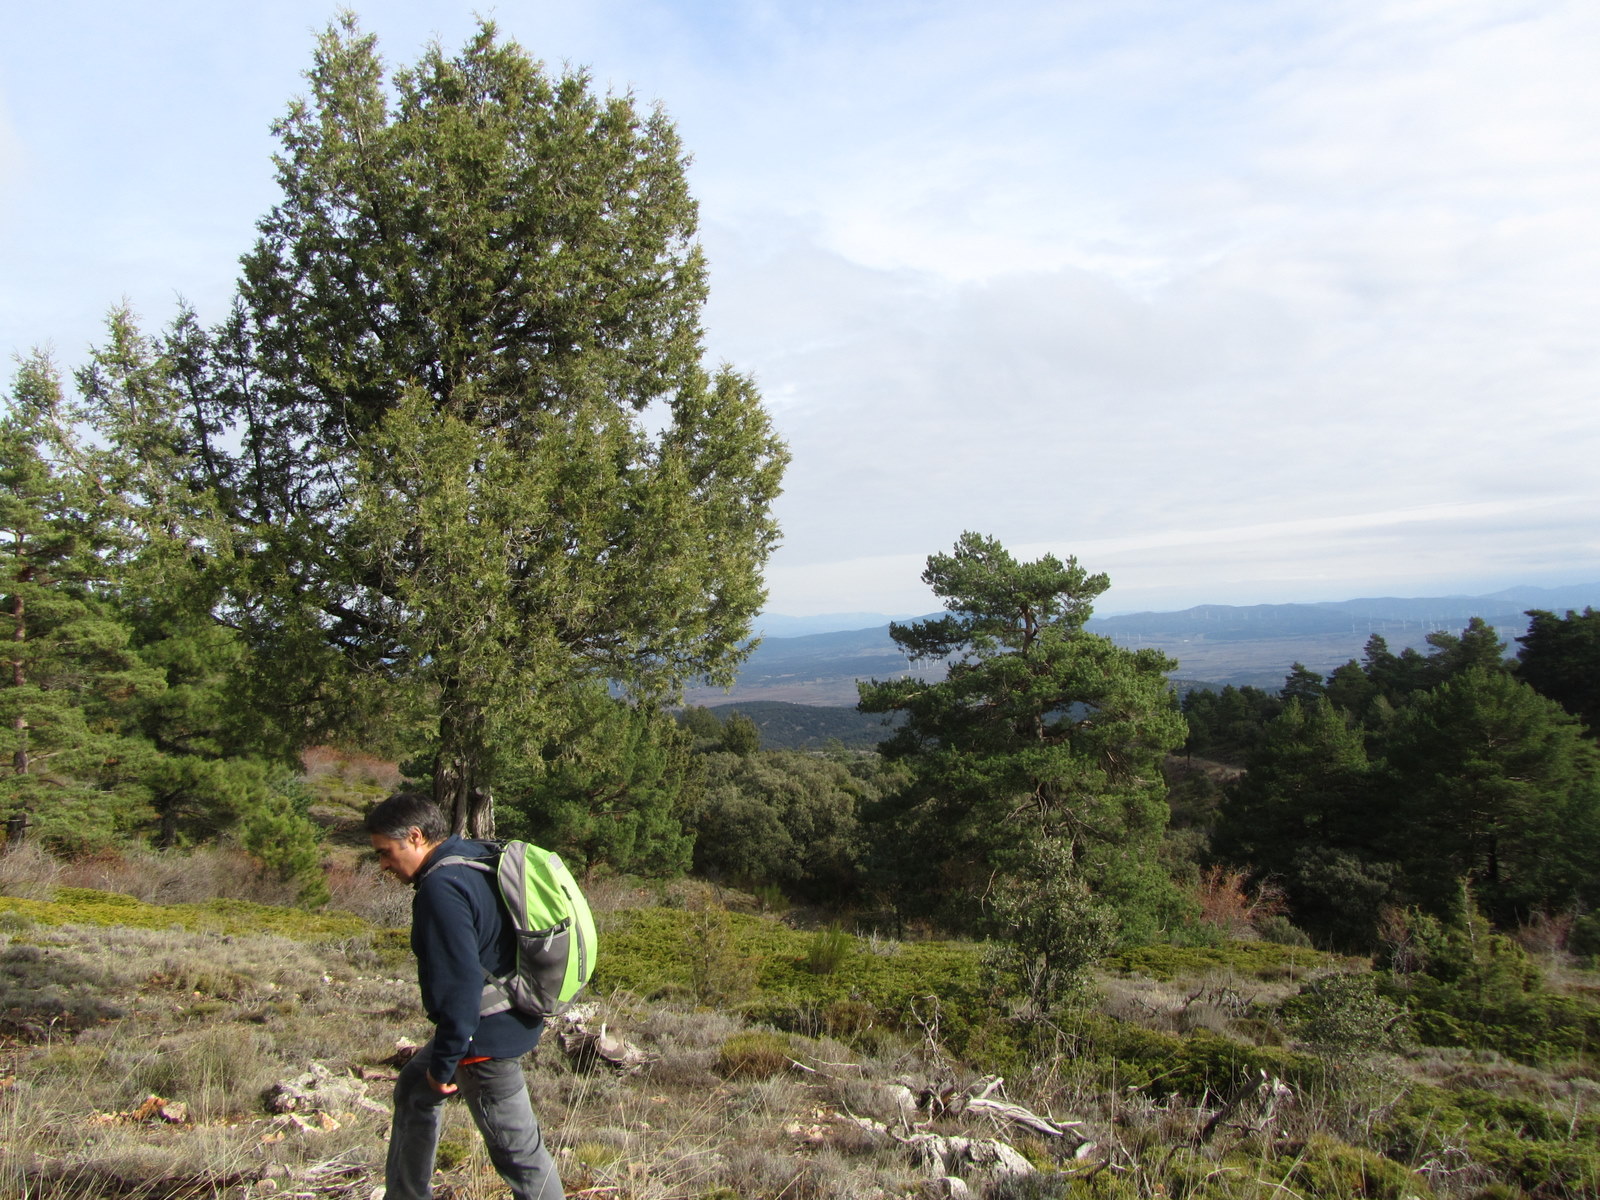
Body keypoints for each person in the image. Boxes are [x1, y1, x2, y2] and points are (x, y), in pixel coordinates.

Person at [366, 792, 565, 1200]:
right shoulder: (473, 856)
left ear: (417, 837)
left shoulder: (441, 889)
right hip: (505, 1016)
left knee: (520, 1156)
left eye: (386, 853)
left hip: (482, 1040)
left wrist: (445, 1064)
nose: (383, 865)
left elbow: (459, 987)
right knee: (412, 1088)